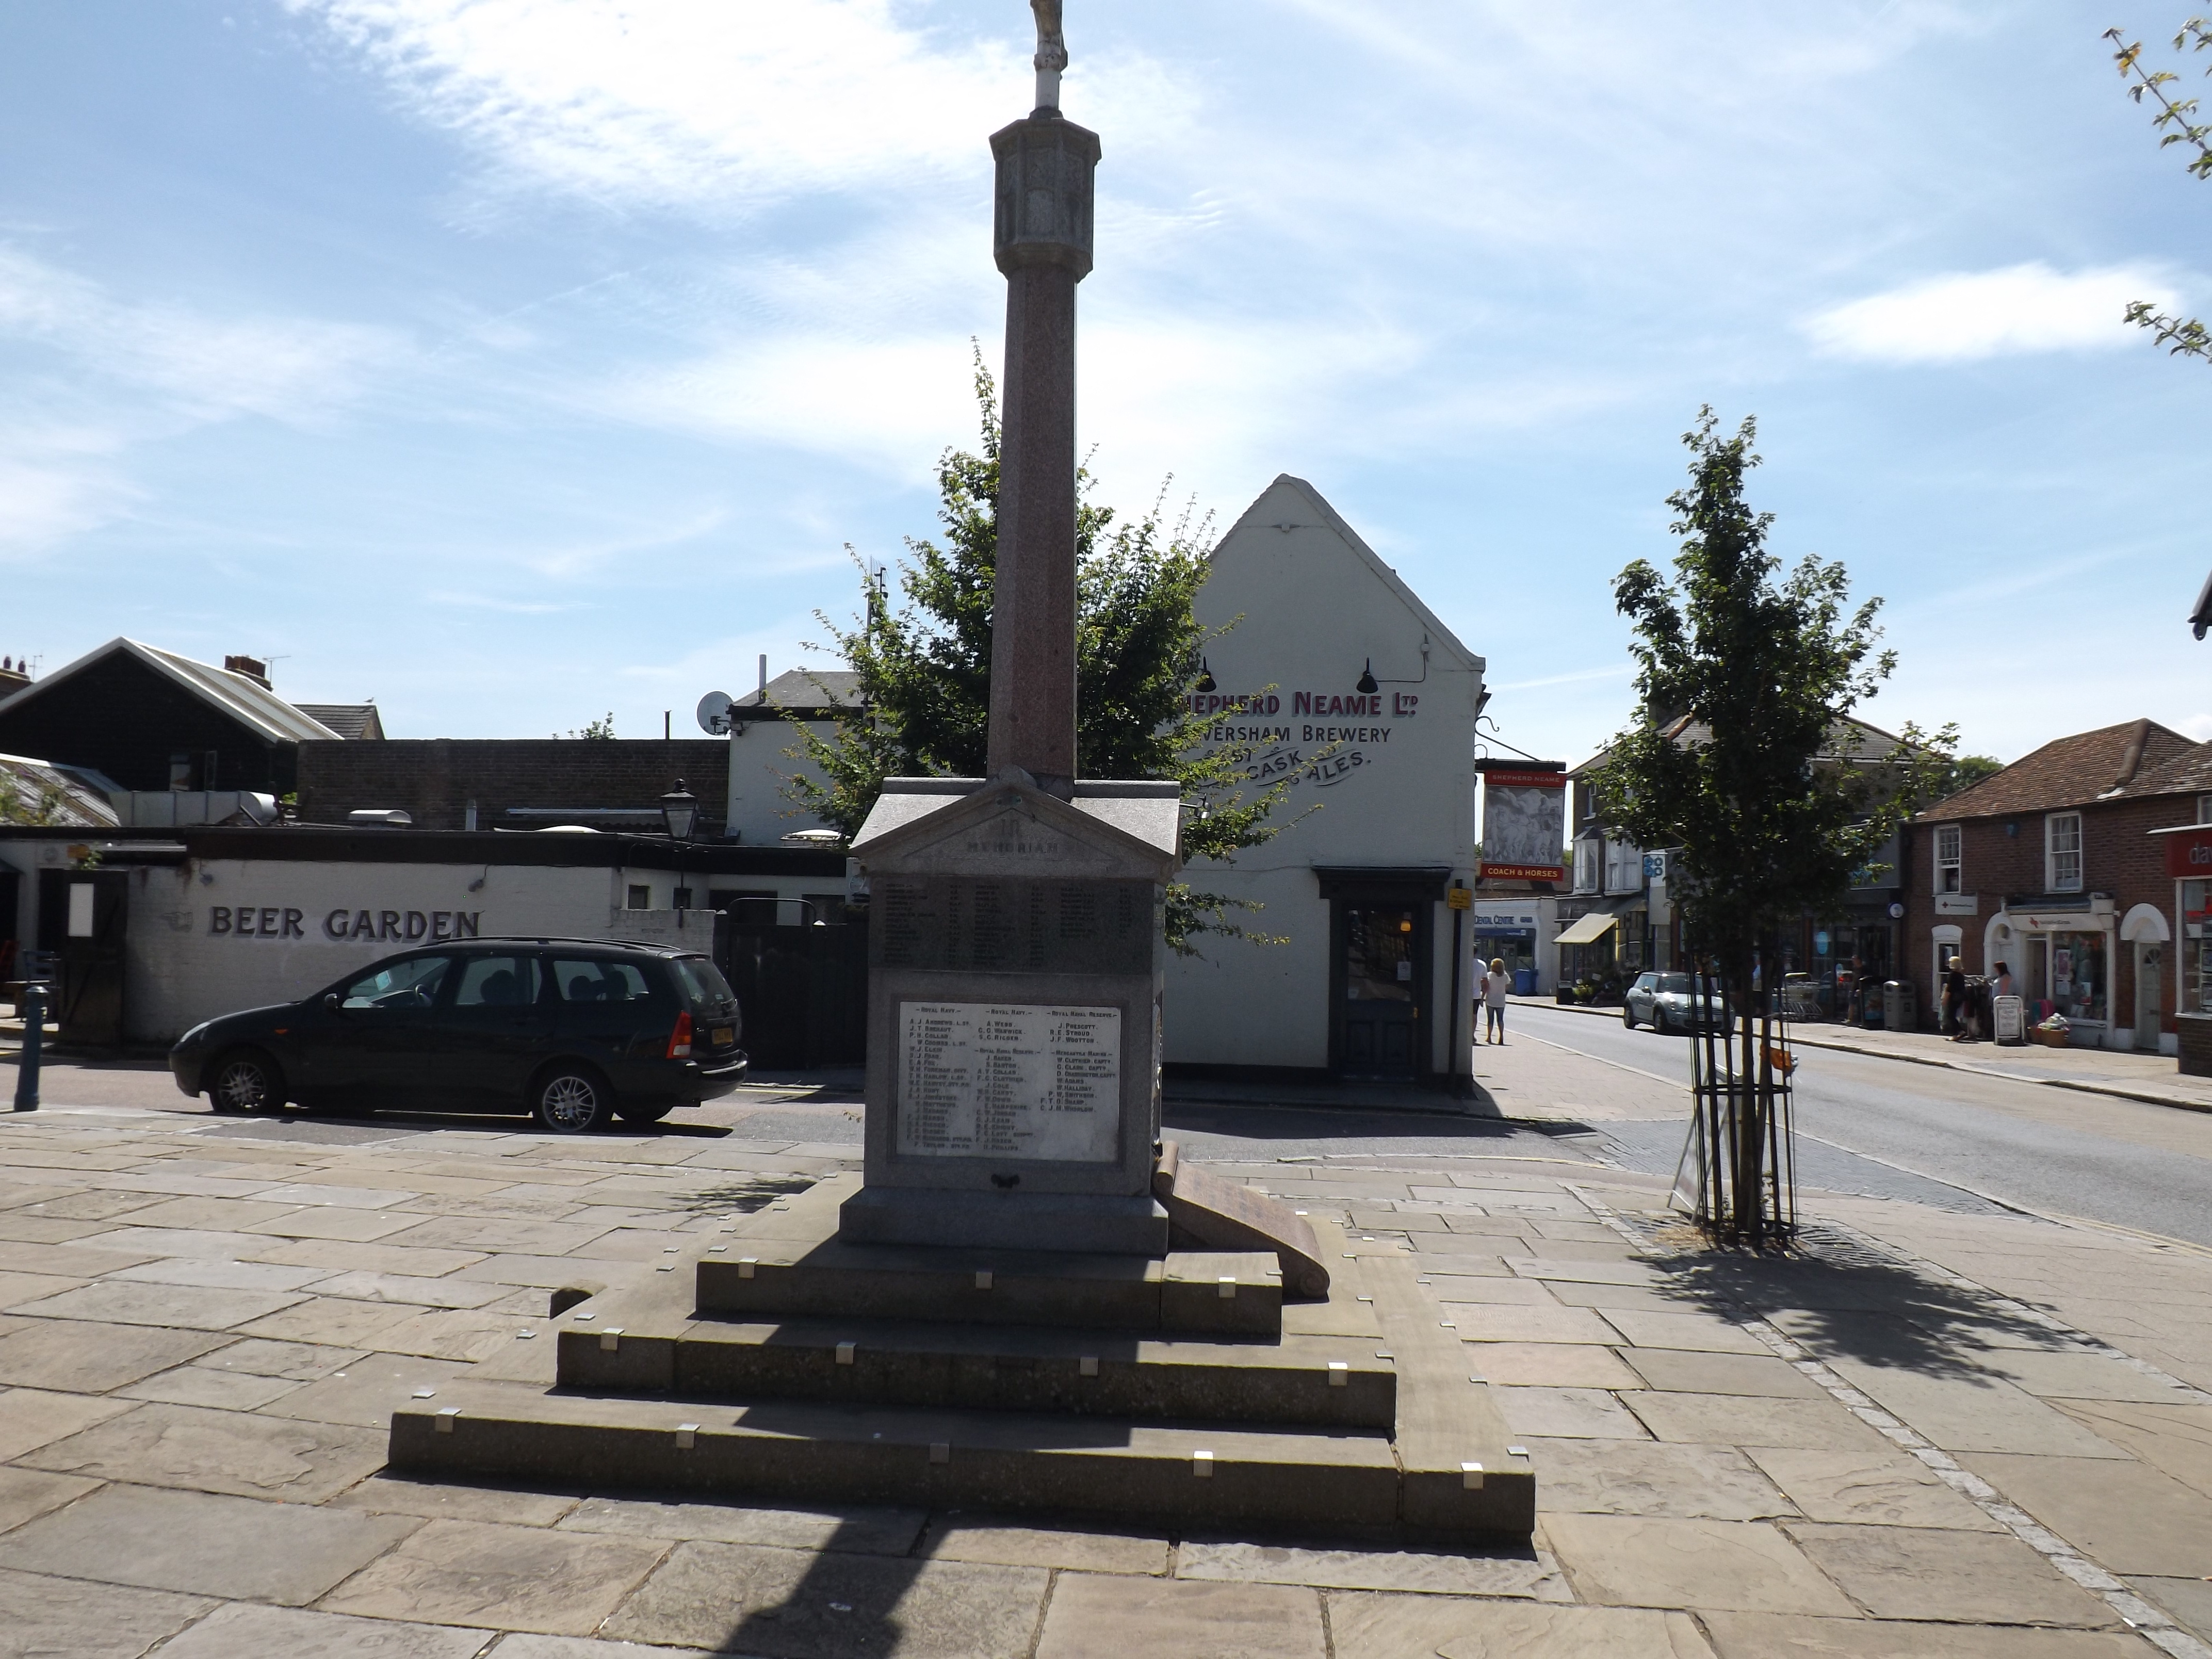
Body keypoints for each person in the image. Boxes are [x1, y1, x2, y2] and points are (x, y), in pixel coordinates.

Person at [1482, 957, 1511, 1045]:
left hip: (1491, 1000)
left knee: (1490, 1019)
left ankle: (1489, 1037)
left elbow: (1485, 986)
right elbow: (1507, 986)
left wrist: (1482, 996)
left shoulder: (1489, 975)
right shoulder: (1506, 976)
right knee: (1500, 1019)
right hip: (1501, 1000)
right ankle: (1501, 1037)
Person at [1943, 955, 1970, 1042]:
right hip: (1960, 998)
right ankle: (1957, 1034)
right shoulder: (1961, 976)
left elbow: (1949, 989)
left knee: (1950, 1015)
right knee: (1952, 1015)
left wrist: (1945, 999)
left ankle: (1958, 1032)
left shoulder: (1952, 975)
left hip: (1953, 997)